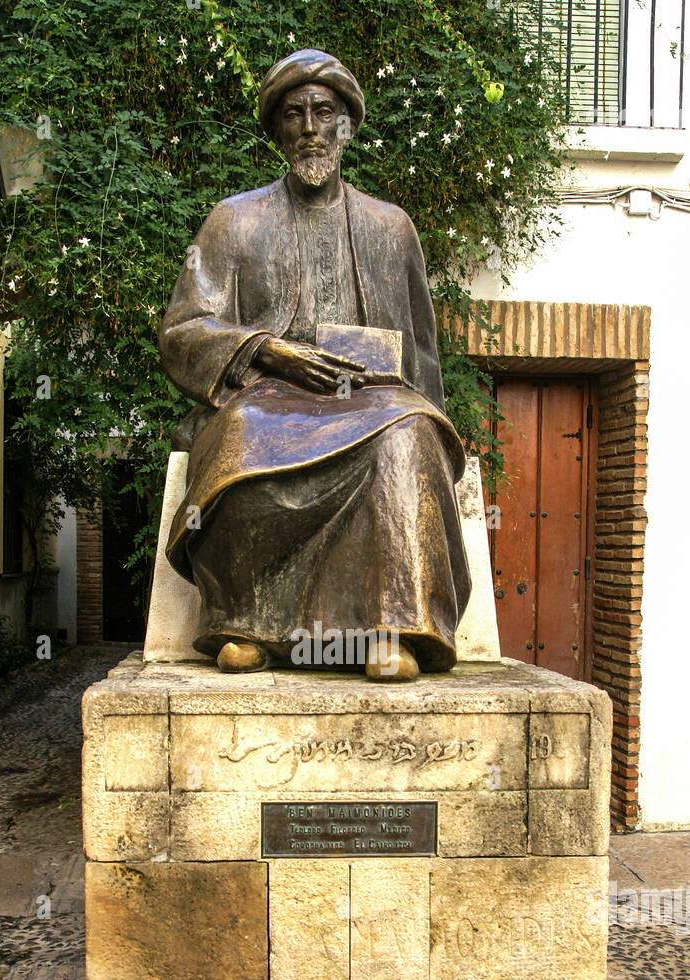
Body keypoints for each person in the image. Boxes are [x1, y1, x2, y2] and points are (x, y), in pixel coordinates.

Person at [159, 49, 471, 681]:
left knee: (407, 434)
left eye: (323, 112)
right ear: (278, 129)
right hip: (267, 393)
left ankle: (395, 629)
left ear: (347, 126)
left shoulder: (392, 227)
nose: (309, 127)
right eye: (294, 114)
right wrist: (265, 349)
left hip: (372, 396)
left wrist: (439, 434)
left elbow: (423, 353)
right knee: (243, 435)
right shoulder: (233, 220)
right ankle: (245, 624)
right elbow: (183, 329)